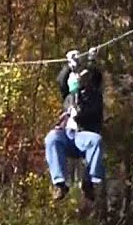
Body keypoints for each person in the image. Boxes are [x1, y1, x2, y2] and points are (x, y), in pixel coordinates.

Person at [45, 48, 104, 201]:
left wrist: (92, 59)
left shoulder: (95, 97)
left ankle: (89, 182)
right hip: (68, 136)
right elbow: (60, 80)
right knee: (52, 138)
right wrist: (69, 65)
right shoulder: (69, 95)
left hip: (83, 137)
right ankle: (60, 184)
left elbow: (95, 75)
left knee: (96, 141)